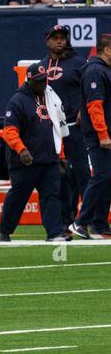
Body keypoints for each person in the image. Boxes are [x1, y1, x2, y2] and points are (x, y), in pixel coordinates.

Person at [0, 63, 69, 243]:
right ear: (29, 81)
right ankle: (5, 231)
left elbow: (57, 130)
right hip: (25, 162)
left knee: (51, 196)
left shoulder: (51, 98)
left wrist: (60, 155)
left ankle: (54, 233)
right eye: (38, 82)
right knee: (18, 197)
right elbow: (9, 131)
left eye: (44, 81)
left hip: (48, 159)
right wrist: (21, 149)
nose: (42, 85)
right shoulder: (17, 101)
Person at [42, 24, 90, 231]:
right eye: (55, 38)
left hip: (74, 127)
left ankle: (89, 220)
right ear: (48, 41)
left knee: (82, 174)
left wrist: (83, 109)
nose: (59, 41)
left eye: (63, 37)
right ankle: (65, 220)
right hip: (51, 131)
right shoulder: (40, 66)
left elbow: (93, 88)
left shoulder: (80, 62)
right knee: (60, 176)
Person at [71, 33, 111, 239]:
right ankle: (80, 222)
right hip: (99, 135)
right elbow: (95, 107)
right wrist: (103, 134)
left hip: (105, 133)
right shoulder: (95, 70)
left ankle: (100, 224)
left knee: (107, 178)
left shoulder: (102, 70)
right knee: (102, 176)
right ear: (107, 50)